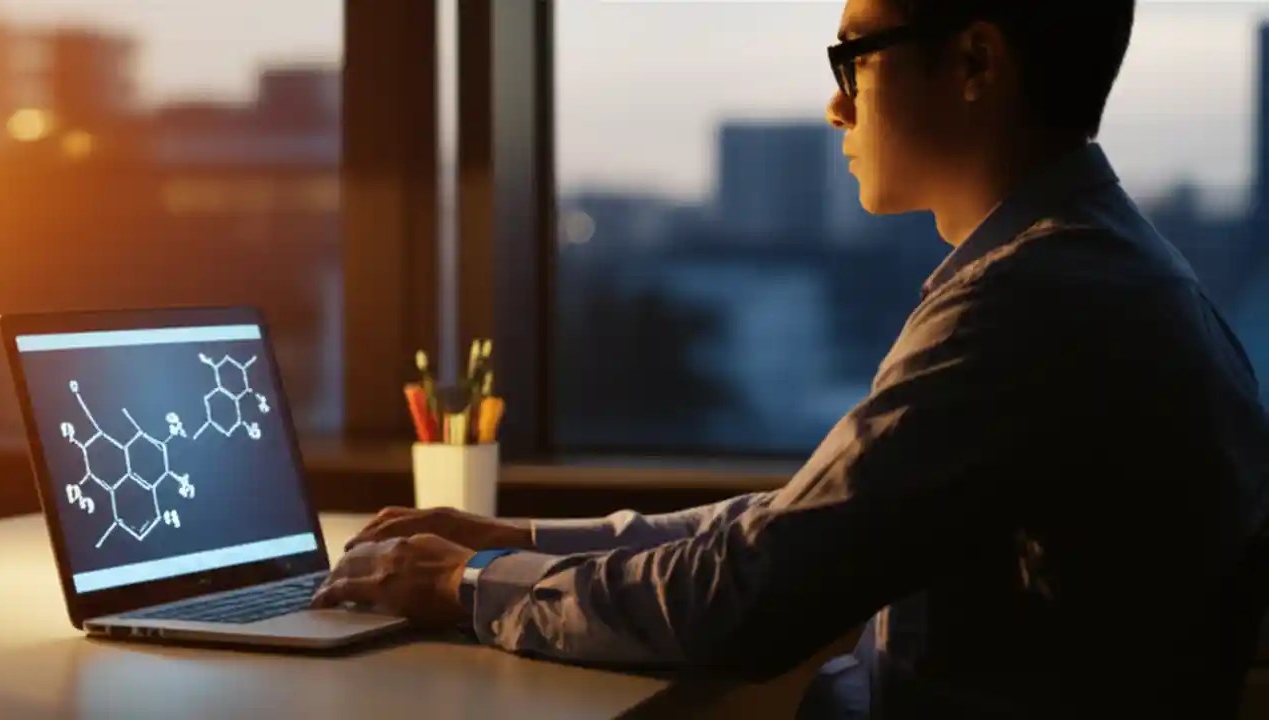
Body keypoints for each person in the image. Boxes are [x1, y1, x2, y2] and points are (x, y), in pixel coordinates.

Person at [312, 0, 1269, 716]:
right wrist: (513, 542)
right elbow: (792, 525)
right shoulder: (1098, 268)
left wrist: (463, 585)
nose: (833, 106)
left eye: (854, 58)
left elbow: (751, 593)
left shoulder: (1030, 304)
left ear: (975, 60)